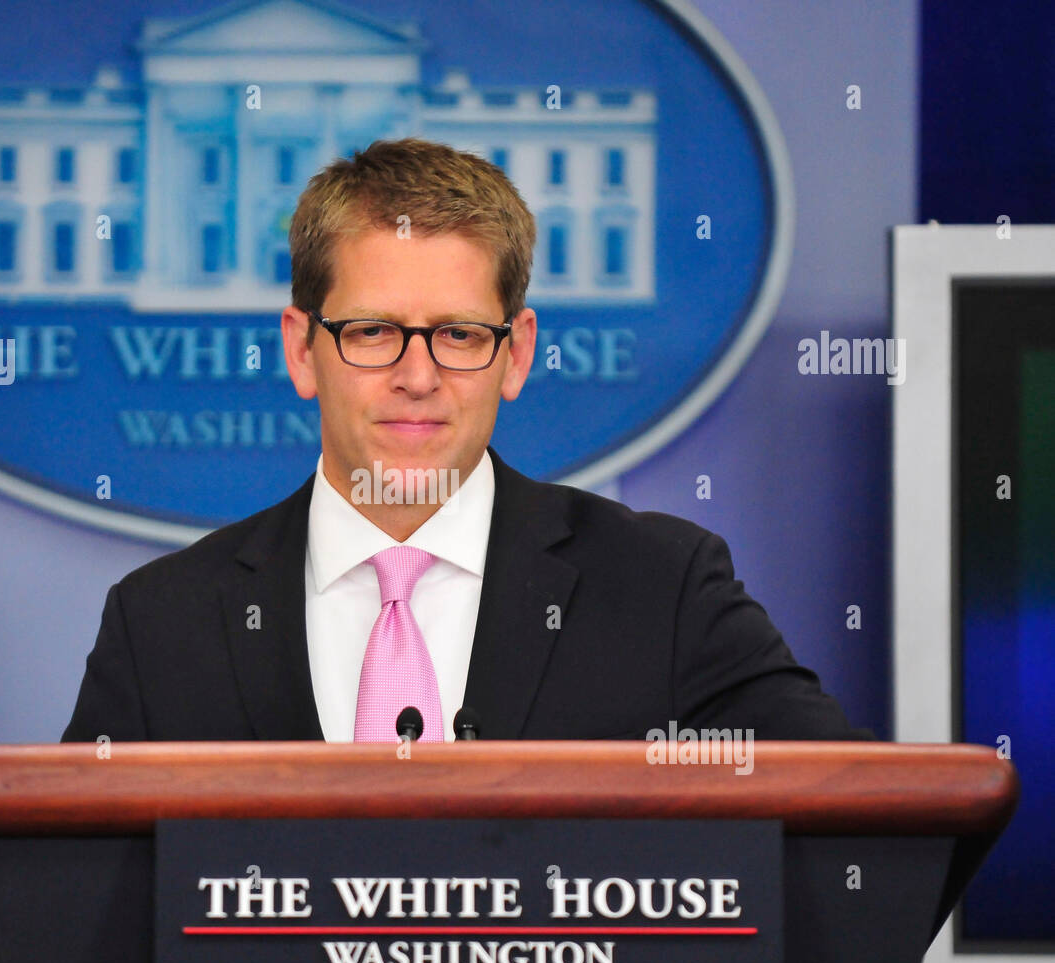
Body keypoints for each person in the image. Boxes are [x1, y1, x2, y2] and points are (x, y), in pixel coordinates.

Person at [63, 137, 871, 744]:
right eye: (374, 331)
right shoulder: (162, 625)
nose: (418, 376)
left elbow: (864, 825)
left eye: (457, 333)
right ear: (301, 350)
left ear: (515, 353)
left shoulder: (663, 592)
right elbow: (69, 911)